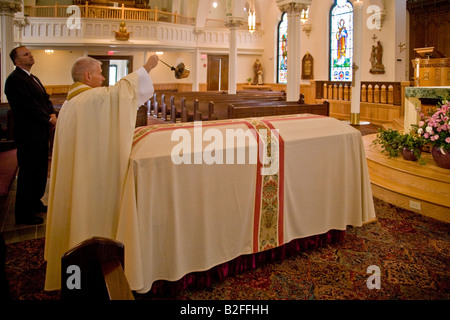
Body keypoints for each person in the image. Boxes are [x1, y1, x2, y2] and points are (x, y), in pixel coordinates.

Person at [44, 54, 158, 291]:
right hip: (92, 179)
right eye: (99, 72)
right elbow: (121, 93)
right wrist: (146, 67)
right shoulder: (91, 99)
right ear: (87, 76)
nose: (104, 77)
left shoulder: (71, 103)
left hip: (82, 171)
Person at [4, 46, 57, 225]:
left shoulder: (33, 78)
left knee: (40, 171)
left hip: (39, 133)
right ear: (17, 61)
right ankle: (24, 213)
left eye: (30, 53)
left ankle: (35, 202)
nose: (31, 55)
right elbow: (28, 106)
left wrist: (52, 113)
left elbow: (45, 99)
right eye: (26, 54)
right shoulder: (14, 80)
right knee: (28, 173)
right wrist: (48, 120)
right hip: (28, 134)